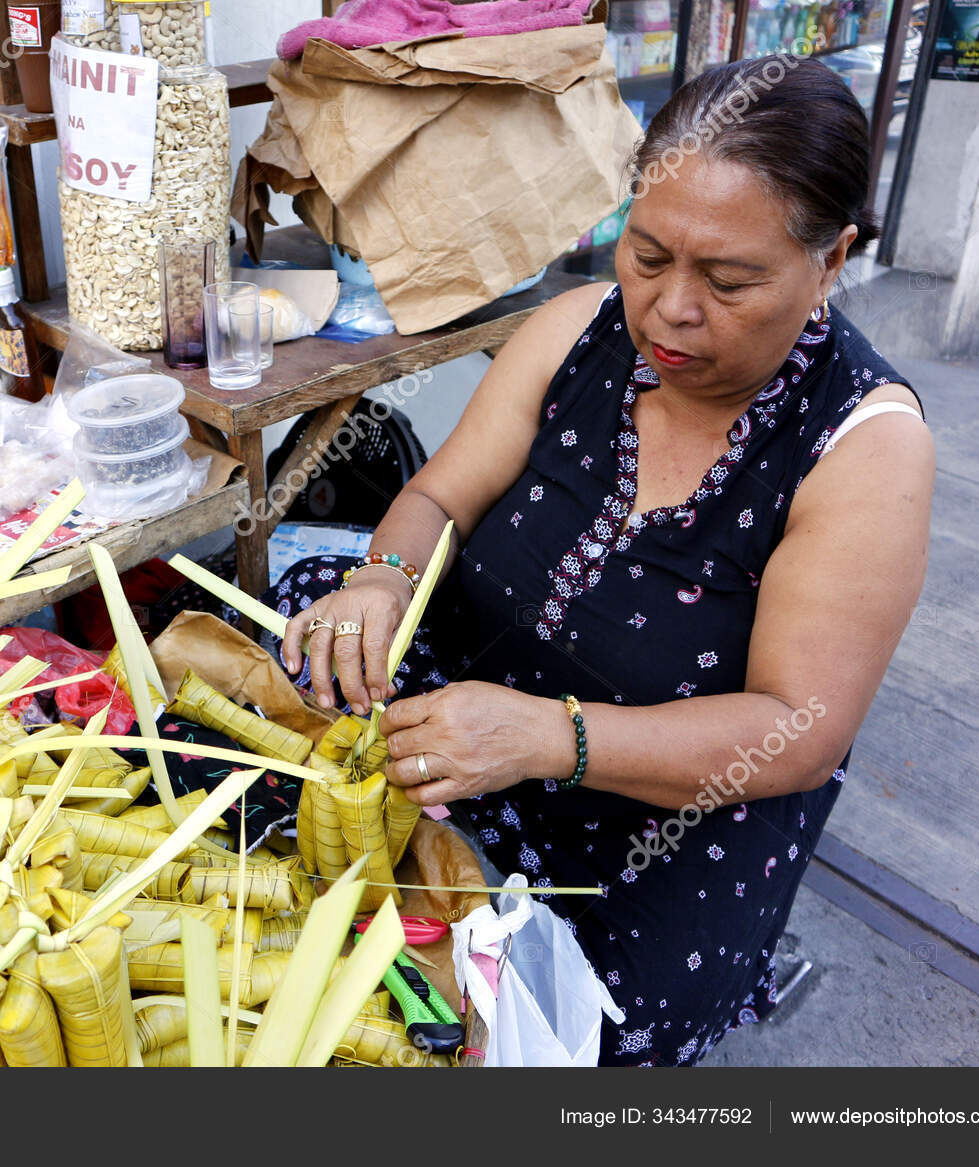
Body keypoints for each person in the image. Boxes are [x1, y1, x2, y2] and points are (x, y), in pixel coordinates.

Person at [270, 57, 934, 1066]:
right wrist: (382, 583)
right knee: (298, 655)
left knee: (568, 1018)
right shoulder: (574, 330)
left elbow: (795, 731)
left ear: (831, 259)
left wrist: (551, 739)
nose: (669, 310)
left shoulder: (862, 449)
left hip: (655, 820)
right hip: (464, 708)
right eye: (647, 251)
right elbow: (440, 497)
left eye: (728, 280)